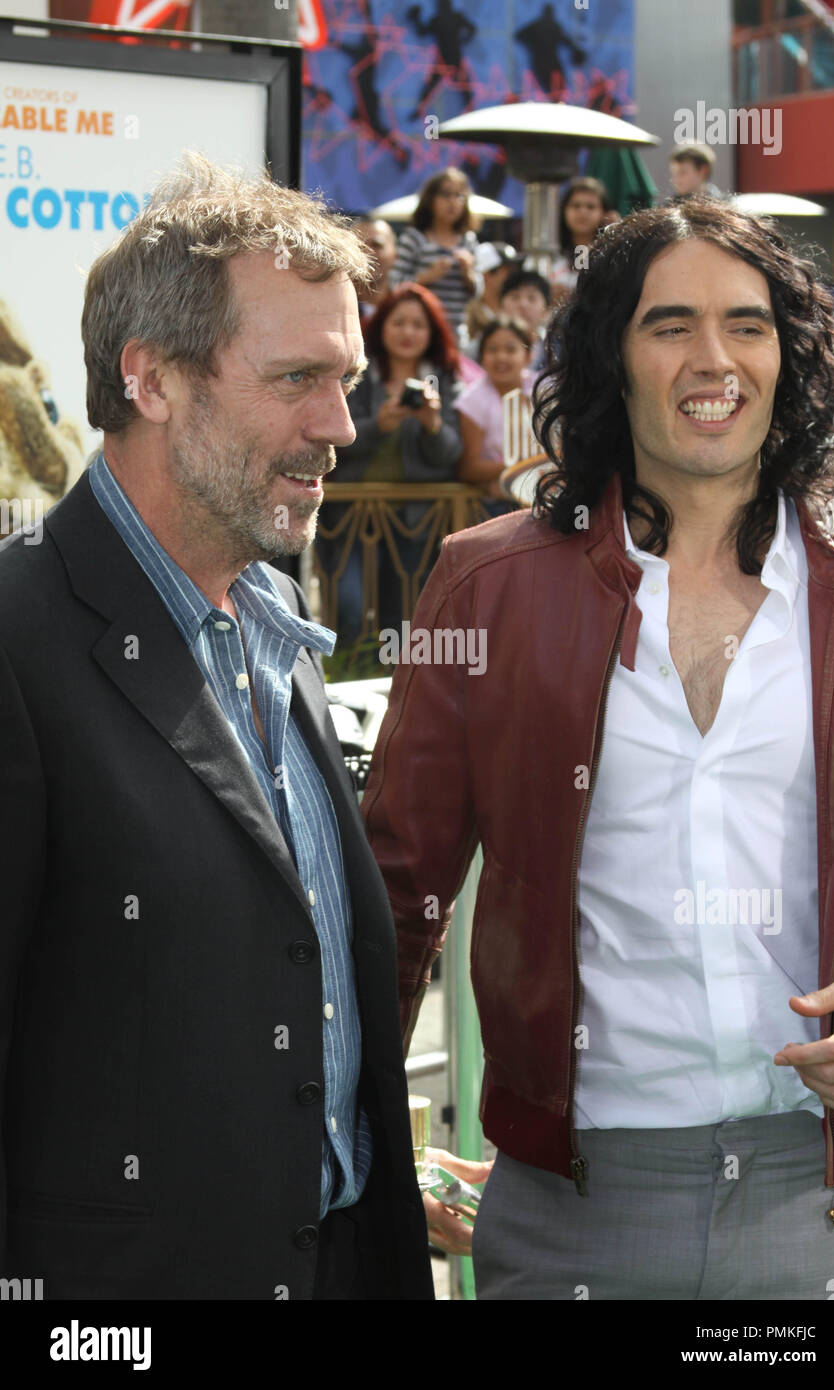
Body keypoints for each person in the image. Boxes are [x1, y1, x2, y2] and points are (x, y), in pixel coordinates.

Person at [362, 197, 834, 1301]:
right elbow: (397, 899)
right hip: (575, 1206)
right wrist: (351, 1161)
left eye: (746, 323)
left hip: (821, 1192)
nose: (711, 358)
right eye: (667, 323)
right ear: (610, 354)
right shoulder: (486, 585)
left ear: (787, 355)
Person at [0, 152, 477, 1301]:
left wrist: (349, 1166)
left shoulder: (272, 617)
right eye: (295, 379)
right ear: (152, 378)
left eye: (349, 378)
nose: (341, 424)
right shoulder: (17, 638)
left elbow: (248, 992)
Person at [317, 282, 463, 643]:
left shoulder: (442, 379)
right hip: (350, 513)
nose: (408, 332)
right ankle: (344, 679)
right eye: (399, 322)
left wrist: (432, 426)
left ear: (432, 332)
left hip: (416, 518)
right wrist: (376, 427)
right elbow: (331, 438)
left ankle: (393, 687)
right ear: (381, 325)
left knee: (402, 614)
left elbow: (451, 455)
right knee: (348, 604)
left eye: (418, 324)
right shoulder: (355, 374)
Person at [391, 167, 480, 340]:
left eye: (459, 196)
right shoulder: (415, 238)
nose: (453, 202)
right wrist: (425, 278)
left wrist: (468, 274)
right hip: (419, 335)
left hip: (455, 335)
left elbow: (477, 293)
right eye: (446, 194)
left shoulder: (468, 241)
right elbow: (394, 285)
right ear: (430, 200)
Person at [456, 315, 534, 507]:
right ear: (482, 356)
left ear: (528, 356)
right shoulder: (472, 400)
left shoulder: (543, 390)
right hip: (493, 506)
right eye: (492, 349)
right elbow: (468, 467)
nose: (501, 357)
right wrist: (523, 466)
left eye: (510, 349)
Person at [548, 176, 611, 303]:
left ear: (604, 213)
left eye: (590, 206)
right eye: (576, 206)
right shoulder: (548, 250)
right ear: (563, 210)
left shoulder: (611, 255)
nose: (582, 212)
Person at [464, 241, 521, 345]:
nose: (511, 276)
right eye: (506, 270)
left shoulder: (517, 309)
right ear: (487, 274)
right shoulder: (467, 313)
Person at [500, 268, 552, 372]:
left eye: (532, 298)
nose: (523, 305)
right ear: (500, 306)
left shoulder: (557, 351)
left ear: (546, 311)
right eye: (515, 297)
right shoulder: (479, 349)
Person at [354, 216, 398, 319]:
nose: (368, 252)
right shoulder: (334, 305)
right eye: (359, 246)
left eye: (376, 245)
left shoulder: (408, 305)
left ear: (396, 255)